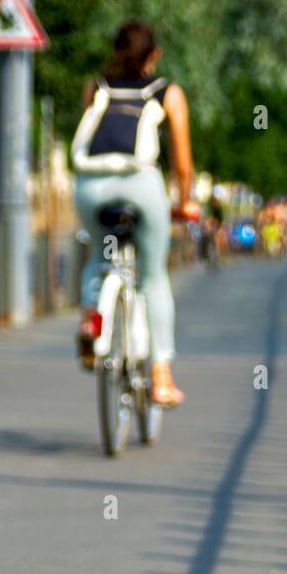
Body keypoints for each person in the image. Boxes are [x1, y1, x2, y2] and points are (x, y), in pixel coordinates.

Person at [71, 20, 197, 407]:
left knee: (100, 254)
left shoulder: (95, 88)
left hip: (91, 188)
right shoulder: (167, 93)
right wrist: (185, 200)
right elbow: (183, 163)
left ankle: (92, 321)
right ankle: (161, 376)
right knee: (154, 276)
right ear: (154, 54)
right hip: (140, 186)